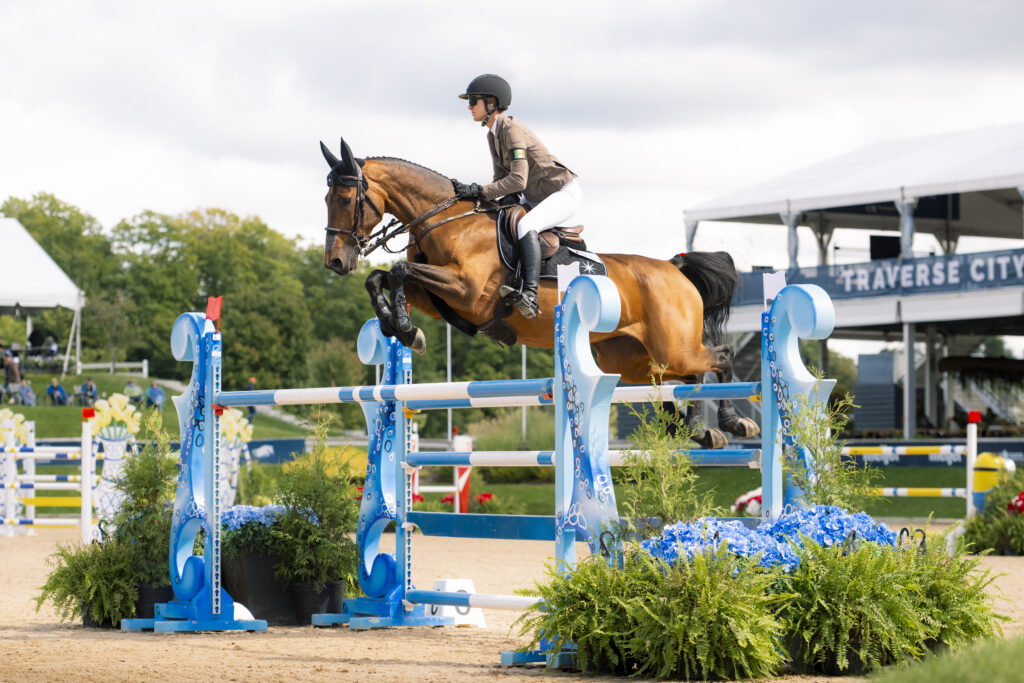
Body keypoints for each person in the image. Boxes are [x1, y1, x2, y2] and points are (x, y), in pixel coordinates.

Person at [454, 74, 581, 319]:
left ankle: (531, 295)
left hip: (562, 193)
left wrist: (479, 190)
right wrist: (477, 200)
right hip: (535, 196)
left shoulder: (511, 129)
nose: (469, 107)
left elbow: (517, 181)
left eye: (473, 101)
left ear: (491, 102)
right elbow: (500, 178)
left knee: (527, 224)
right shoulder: (492, 134)